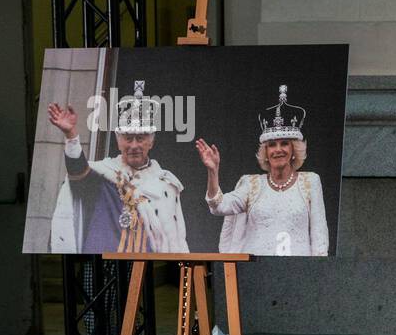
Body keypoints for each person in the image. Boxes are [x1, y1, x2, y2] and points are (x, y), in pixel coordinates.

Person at [47, 80, 188, 253]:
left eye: (141, 138)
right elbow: (78, 173)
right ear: (118, 141)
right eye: (128, 138)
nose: (134, 145)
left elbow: (175, 243)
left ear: (151, 142)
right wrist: (71, 135)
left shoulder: (166, 185)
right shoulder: (105, 175)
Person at [195, 85, 330, 256]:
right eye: (272, 145)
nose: (278, 149)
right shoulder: (251, 184)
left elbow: (320, 236)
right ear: (265, 153)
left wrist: (317, 271)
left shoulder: (310, 182)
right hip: (253, 271)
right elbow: (218, 206)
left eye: (284, 143)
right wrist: (213, 171)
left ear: (294, 149)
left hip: (298, 272)